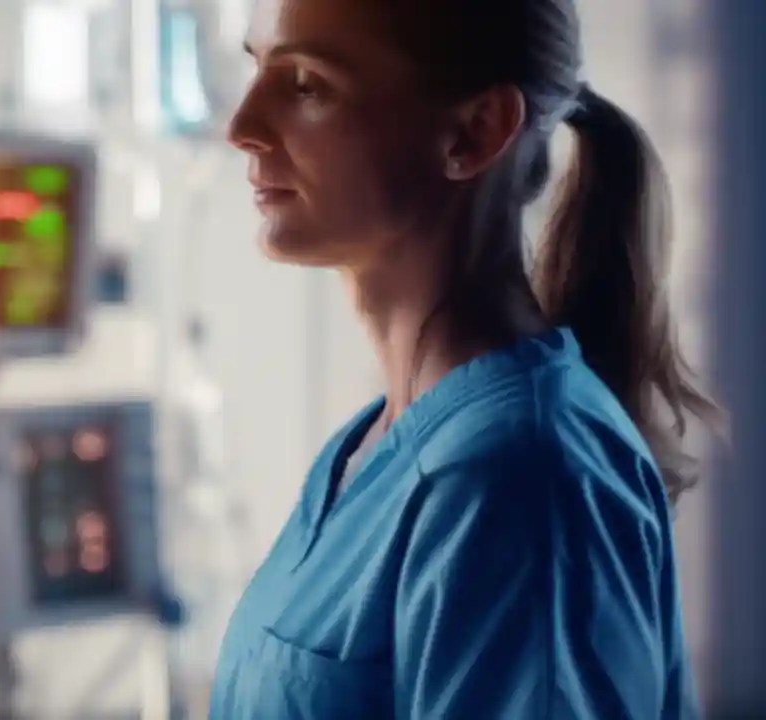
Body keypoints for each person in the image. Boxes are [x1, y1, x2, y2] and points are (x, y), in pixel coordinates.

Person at [210, 0, 719, 718]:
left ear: (475, 133)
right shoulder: (374, 448)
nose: (241, 129)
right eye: (256, 69)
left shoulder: (518, 482)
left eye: (306, 86)